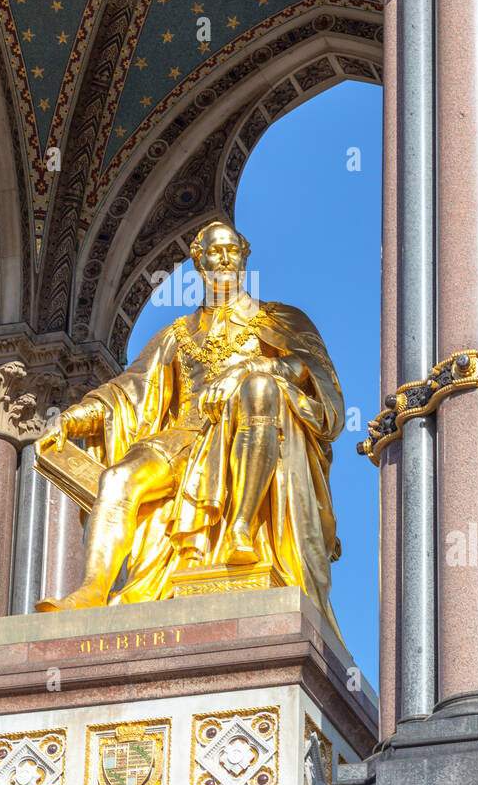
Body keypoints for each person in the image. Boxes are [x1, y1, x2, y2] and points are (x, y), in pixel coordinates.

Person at [37, 220, 344, 627]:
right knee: (117, 480)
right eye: (215, 251)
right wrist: (71, 420)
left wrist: (252, 367)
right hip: (180, 439)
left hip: (244, 426)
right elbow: (127, 391)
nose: (224, 258)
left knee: (259, 389)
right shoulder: (177, 334)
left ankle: (240, 528)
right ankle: (92, 590)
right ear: (198, 261)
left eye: (233, 250)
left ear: (245, 257)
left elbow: (312, 371)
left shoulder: (280, 318)